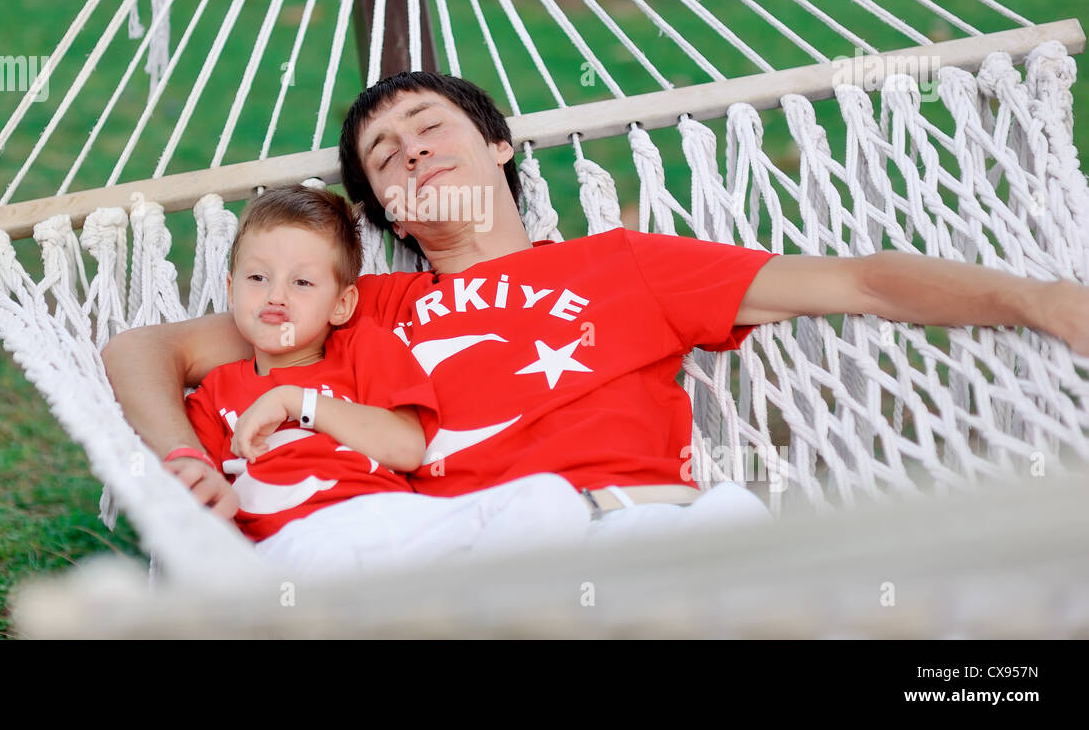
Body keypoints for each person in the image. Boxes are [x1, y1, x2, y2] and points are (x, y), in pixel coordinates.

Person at [106, 71, 1089, 547]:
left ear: (496, 150)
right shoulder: (359, 308)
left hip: (647, 536)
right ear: (383, 213)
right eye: (384, 156)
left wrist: (1035, 298)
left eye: (429, 128)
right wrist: (184, 457)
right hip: (484, 566)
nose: (409, 150)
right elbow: (144, 348)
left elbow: (864, 282)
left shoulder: (626, 265)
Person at [173, 183, 597, 579]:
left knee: (547, 498)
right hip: (292, 545)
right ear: (230, 290)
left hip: (398, 522)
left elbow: (406, 449)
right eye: (257, 278)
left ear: (341, 304)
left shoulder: (364, 350)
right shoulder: (212, 397)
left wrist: (297, 402)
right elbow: (204, 501)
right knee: (319, 561)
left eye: (301, 282)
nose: (276, 296)